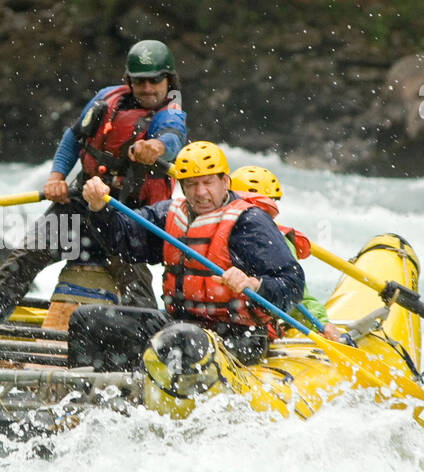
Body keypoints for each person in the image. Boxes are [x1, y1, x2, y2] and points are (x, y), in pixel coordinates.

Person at [0, 39, 189, 322]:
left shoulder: (170, 115)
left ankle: (147, 337)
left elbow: (173, 137)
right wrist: (56, 177)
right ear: (129, 81)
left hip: (129, 216)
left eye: (155, 81)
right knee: (24, 258)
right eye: (140, 82)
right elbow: (73, 137)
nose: (148, 89)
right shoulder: (106, 98)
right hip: (82, 201)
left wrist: (157, 148)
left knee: (135, 288)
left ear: (168, 81)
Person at [66, 142, 305, 371]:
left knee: (180, 339)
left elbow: (293, 284)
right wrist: (98, 208)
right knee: (88, 319)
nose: (200, 192)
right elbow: (122, 239)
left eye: (208, 182)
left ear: (225, 182)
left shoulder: (250, 222)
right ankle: (90, 397)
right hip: (178, 325)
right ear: (181, 186)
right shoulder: (169, 214)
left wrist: (253, 284)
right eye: (191, 184)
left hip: (239, 336)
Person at [230, 165, 349, 343]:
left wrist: (322, 324)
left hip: (248, 333)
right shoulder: (211, 233)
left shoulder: (276, 242)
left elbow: (296, 297)